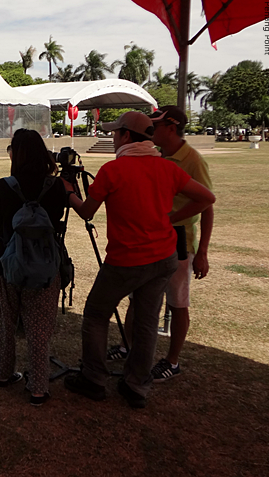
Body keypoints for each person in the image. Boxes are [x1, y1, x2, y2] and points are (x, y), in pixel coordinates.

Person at [64, 111, 215, 408]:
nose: (112, 137)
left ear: (126, 136)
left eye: (115, 132)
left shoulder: (113, 170)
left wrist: (68, 192)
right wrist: (171, 217)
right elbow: (206, 197)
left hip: (125, 259)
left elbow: (86, 211)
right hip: (163, 258)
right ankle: (137, 385)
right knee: (147, 322)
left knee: (95, 315)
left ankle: (93, 378)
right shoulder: (167, 168)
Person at [106, 106, 214, 383]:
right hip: (150, 237)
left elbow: (207, 204)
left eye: (155, 125)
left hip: (178, 239)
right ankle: (126, 346)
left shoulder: (192, 160)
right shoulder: (156, 156)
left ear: (171, 127)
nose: (150, 131)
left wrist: (201, 251)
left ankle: (172, 360)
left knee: (177, 302)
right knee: (138, 298)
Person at [0, 129, 68, 406]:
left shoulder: (4, 185)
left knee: (5, 323)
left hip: (6, 261)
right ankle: (38, 388)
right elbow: (57, 220)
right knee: (39, 327)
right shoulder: (55, 186)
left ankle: (2, 375)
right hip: (44, 262)